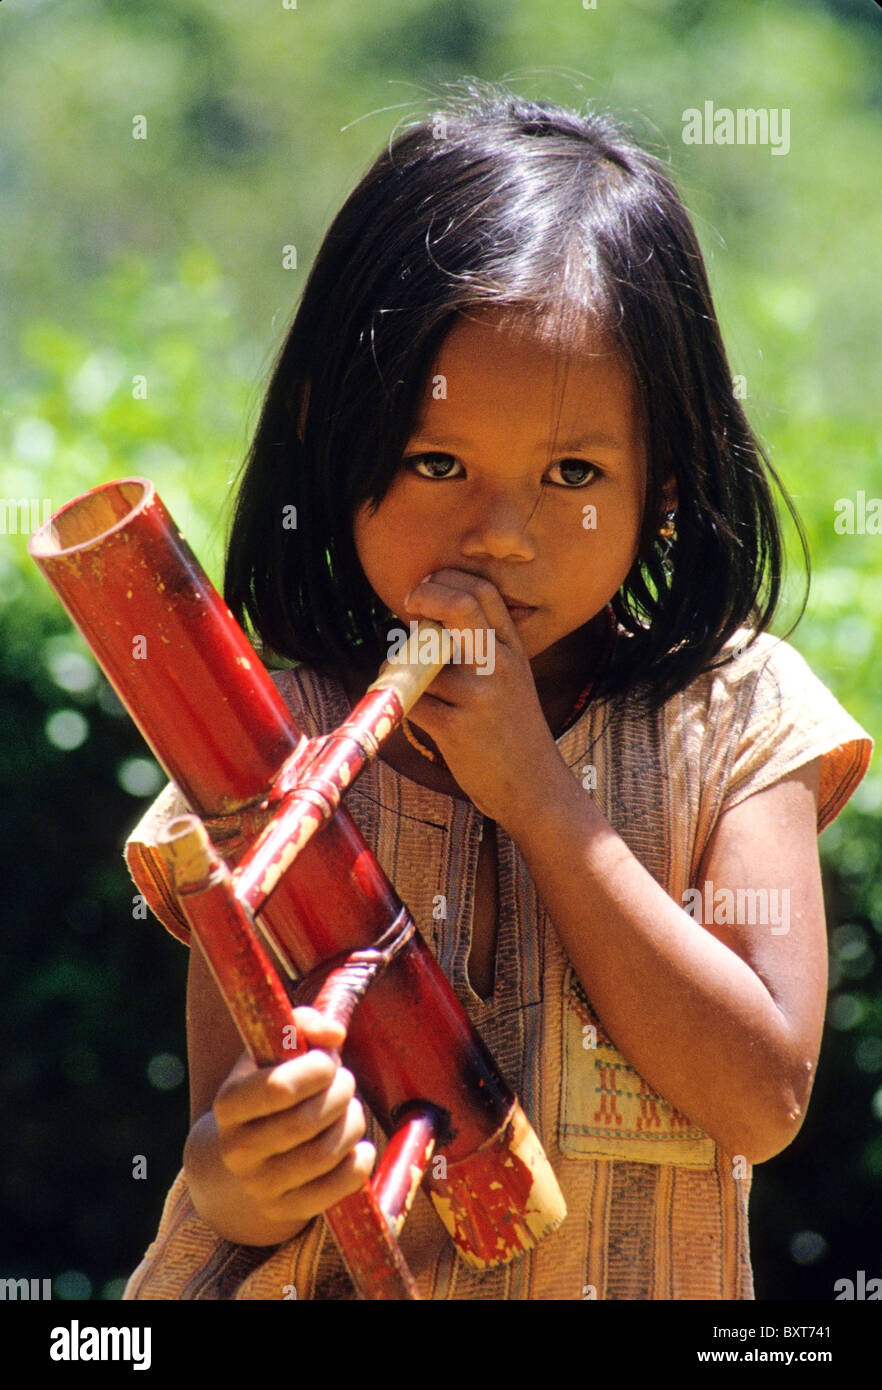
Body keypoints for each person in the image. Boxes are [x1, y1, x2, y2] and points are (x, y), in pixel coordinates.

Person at [122, 82, 871, 1300]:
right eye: (435, 461)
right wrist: (246, 1164)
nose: (501, 535)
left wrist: (545, 800)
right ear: (334, 442)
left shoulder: (739, 720)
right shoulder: (271, 745)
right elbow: (226, 1137)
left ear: (667, 483)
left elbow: (764, 1094)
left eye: (572, 470)